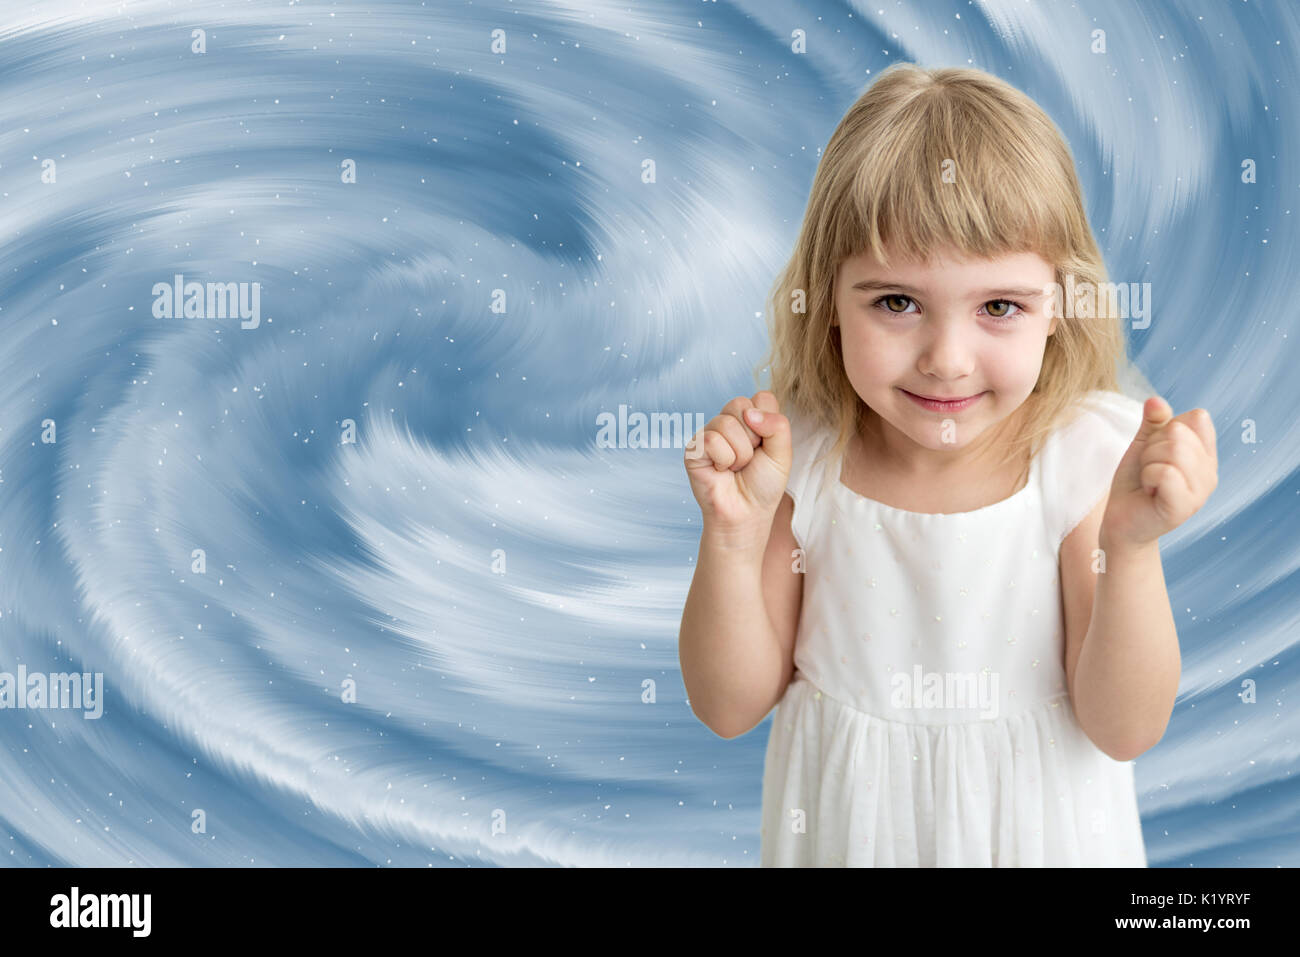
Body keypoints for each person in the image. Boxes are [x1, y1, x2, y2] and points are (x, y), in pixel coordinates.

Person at [678, 63, 1219, 866]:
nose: (946, 359)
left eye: (998, 307)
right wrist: (730, 536)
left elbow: (1126, 726)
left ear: (1060, 310)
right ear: (827, 298)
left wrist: (1130, 548)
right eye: (896, 302)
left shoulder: (1081, 464)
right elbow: (728, 706)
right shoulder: (804, 457)